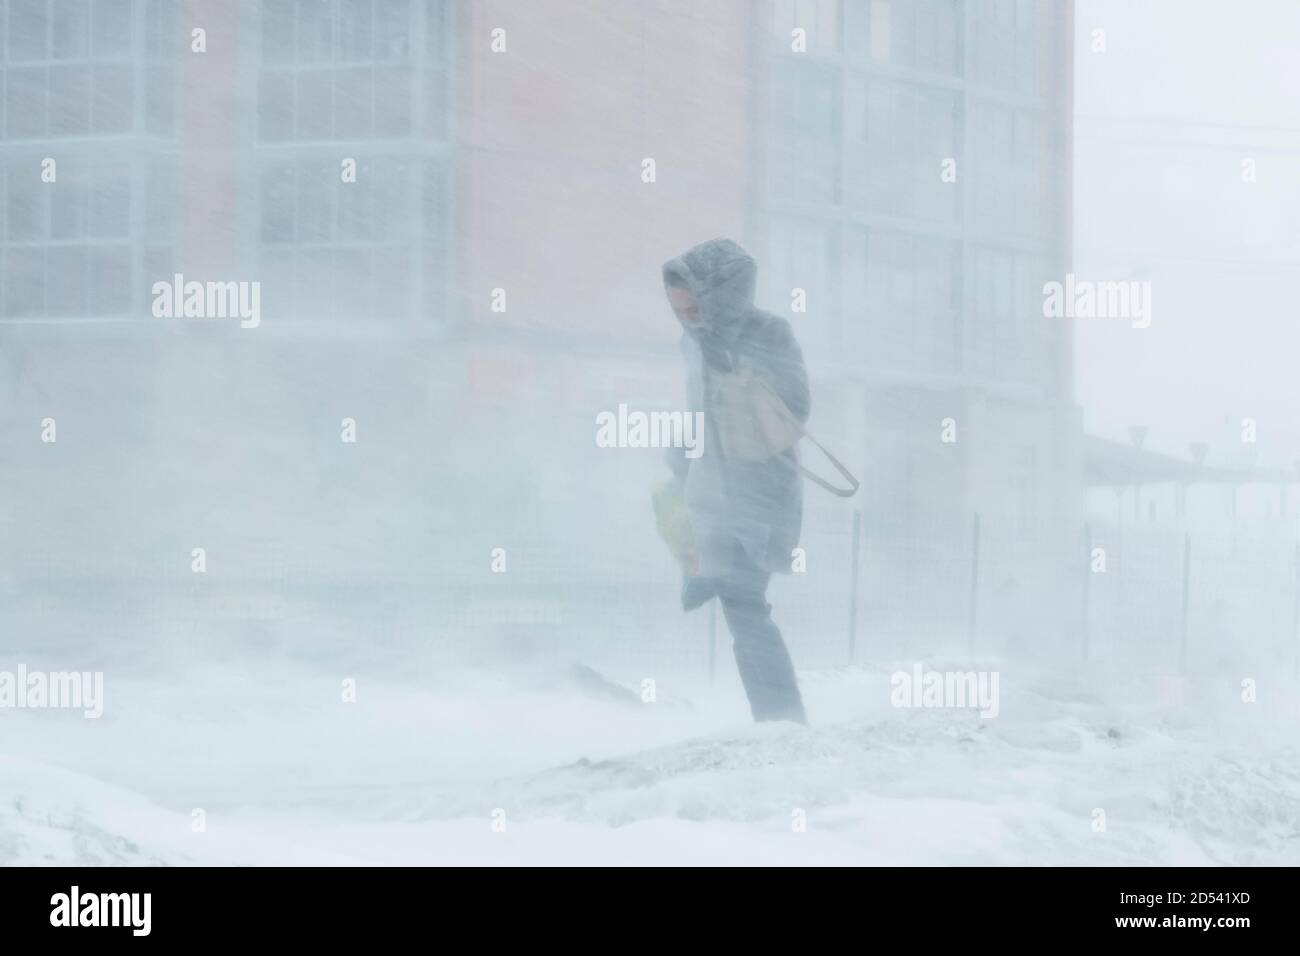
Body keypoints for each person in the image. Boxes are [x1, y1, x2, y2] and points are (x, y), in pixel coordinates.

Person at [661, 238, 809, 724]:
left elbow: (794, 410)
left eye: (692, 302)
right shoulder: (694, 341)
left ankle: (781, 719)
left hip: (761, 496)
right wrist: (683, 451)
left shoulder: (770, 332)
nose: (683, 312)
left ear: (719, 293)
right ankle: (779, 718)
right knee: (740, 607)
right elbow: (702, 414)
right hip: (712, 497)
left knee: (745, 606)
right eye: (676, 305)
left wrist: (739, 366)